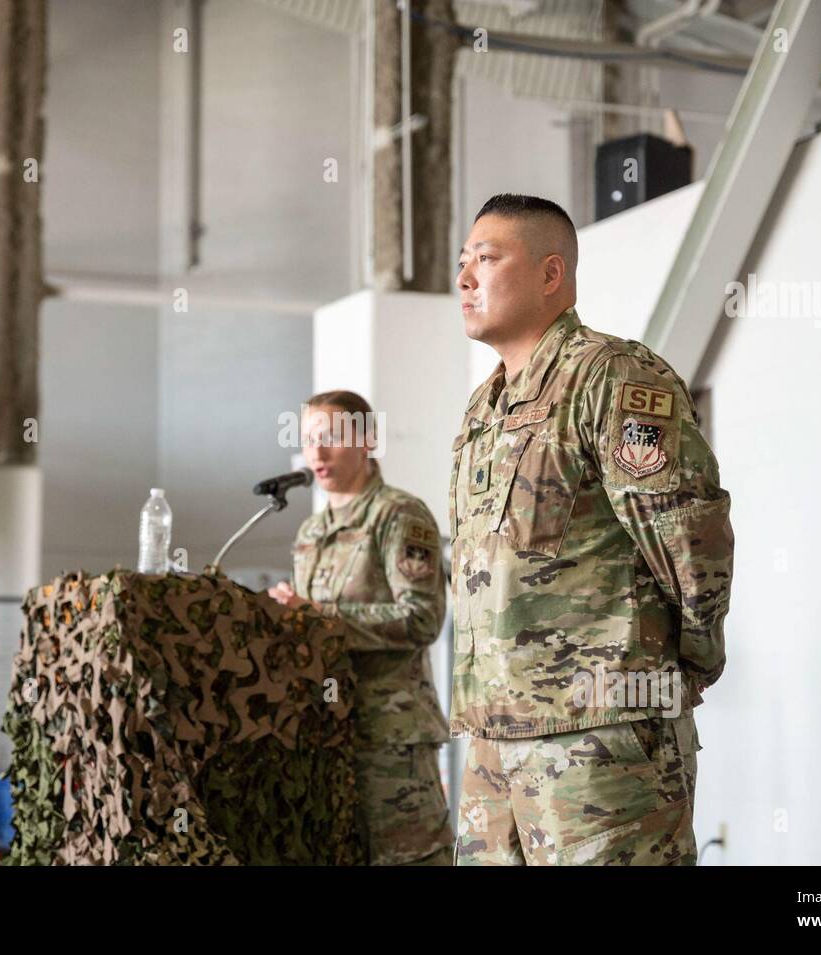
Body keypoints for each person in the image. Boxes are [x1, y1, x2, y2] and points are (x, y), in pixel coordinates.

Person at [449, 193, 734, 865]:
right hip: (494, 739)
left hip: (601, 739)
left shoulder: (612, 376)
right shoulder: (484, 409)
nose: (464, 278)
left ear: (552, 274)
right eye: (462, 262)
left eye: (486, 259)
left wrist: (685, 661)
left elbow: (689, 538)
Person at [268, 390, 453, 865]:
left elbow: (421, 618)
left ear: (367, 440)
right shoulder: (311, 531)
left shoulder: (399, 516)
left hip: (390, 736)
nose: (317, 453)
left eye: (330, 437)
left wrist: (318, 617)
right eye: (308, 440)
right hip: (325, 732)